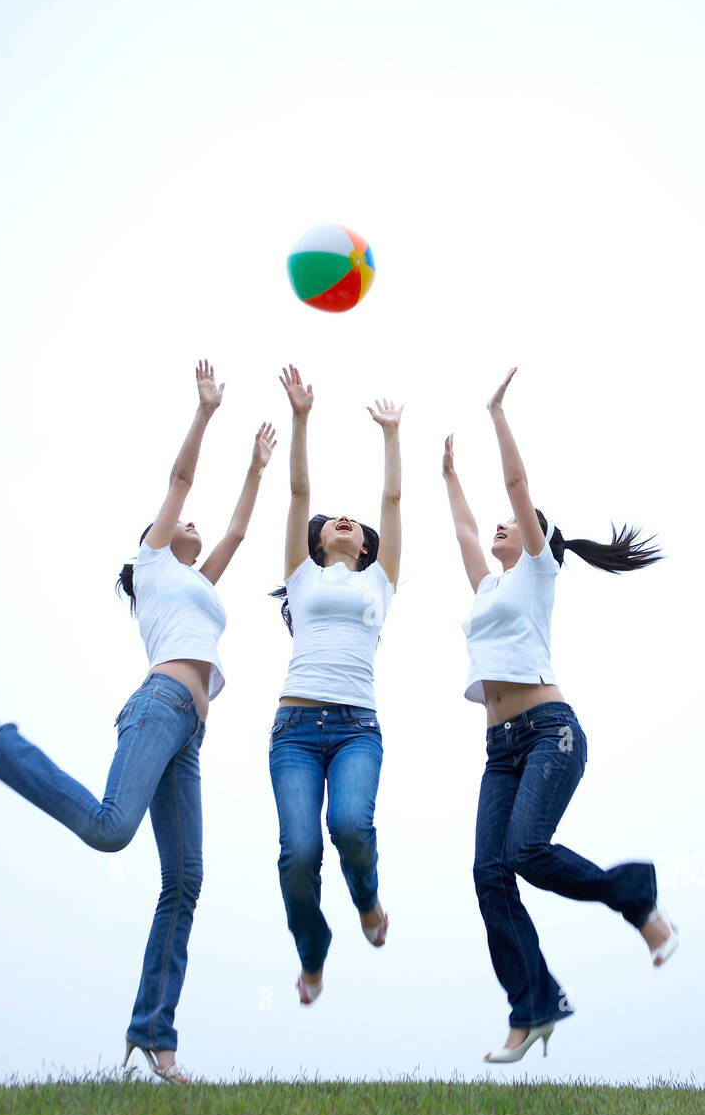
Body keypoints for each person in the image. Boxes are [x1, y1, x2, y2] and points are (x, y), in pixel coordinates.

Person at [0, 360, 276, 1083]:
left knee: (186, 877)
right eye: (176, 521)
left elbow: (237, 528)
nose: (191, 523)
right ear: (152, 539)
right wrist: (205, 414)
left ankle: (154, 1032)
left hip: (188, 733)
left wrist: (257, 463)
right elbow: (178, 484)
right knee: (112, 828)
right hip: (159, 707)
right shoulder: (153, 568)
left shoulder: (199, 582)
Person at [442, 367, 677, 1064]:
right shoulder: (487, 587)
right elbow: (462, 527)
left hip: (551, 732)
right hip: (501, 748)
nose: (501, 523)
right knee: (490, 872)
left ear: (539, 538)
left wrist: (495, 415)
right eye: (499, 524)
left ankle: (635, 898)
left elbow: (518, 486)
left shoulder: (537, 573)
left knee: (525, 852)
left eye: (515, 522)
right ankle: (534, 1002)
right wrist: (448, 475)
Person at [268, 365, 401, 1006]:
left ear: (368, 548)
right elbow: (297, 493)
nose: (344, 520)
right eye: (332, 521)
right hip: (294, 730)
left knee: (350, 825)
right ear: (318, 541)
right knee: (298, 853)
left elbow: (393, 505)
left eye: (354, 522)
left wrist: (391, 435)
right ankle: (312, 953)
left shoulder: (380, 582)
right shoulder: (302, 577)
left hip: (356, 730)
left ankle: (367, 899)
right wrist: (300, 418)